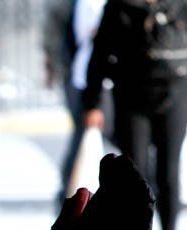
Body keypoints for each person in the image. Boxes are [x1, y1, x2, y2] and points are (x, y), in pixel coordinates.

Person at [82, 0, 187, 230]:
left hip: (166, 95)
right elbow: (100, 52)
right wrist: (93, 100)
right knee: (137, 175)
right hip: (141, 97)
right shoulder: (121, 5)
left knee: (164, 172)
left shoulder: (168, 4)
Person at [43, 0, 107, 207]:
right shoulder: (70, 5)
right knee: (83, 135)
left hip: (109, 78)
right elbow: (55, 33)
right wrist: (55, 65)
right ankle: (69, 195)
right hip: (79, 77)